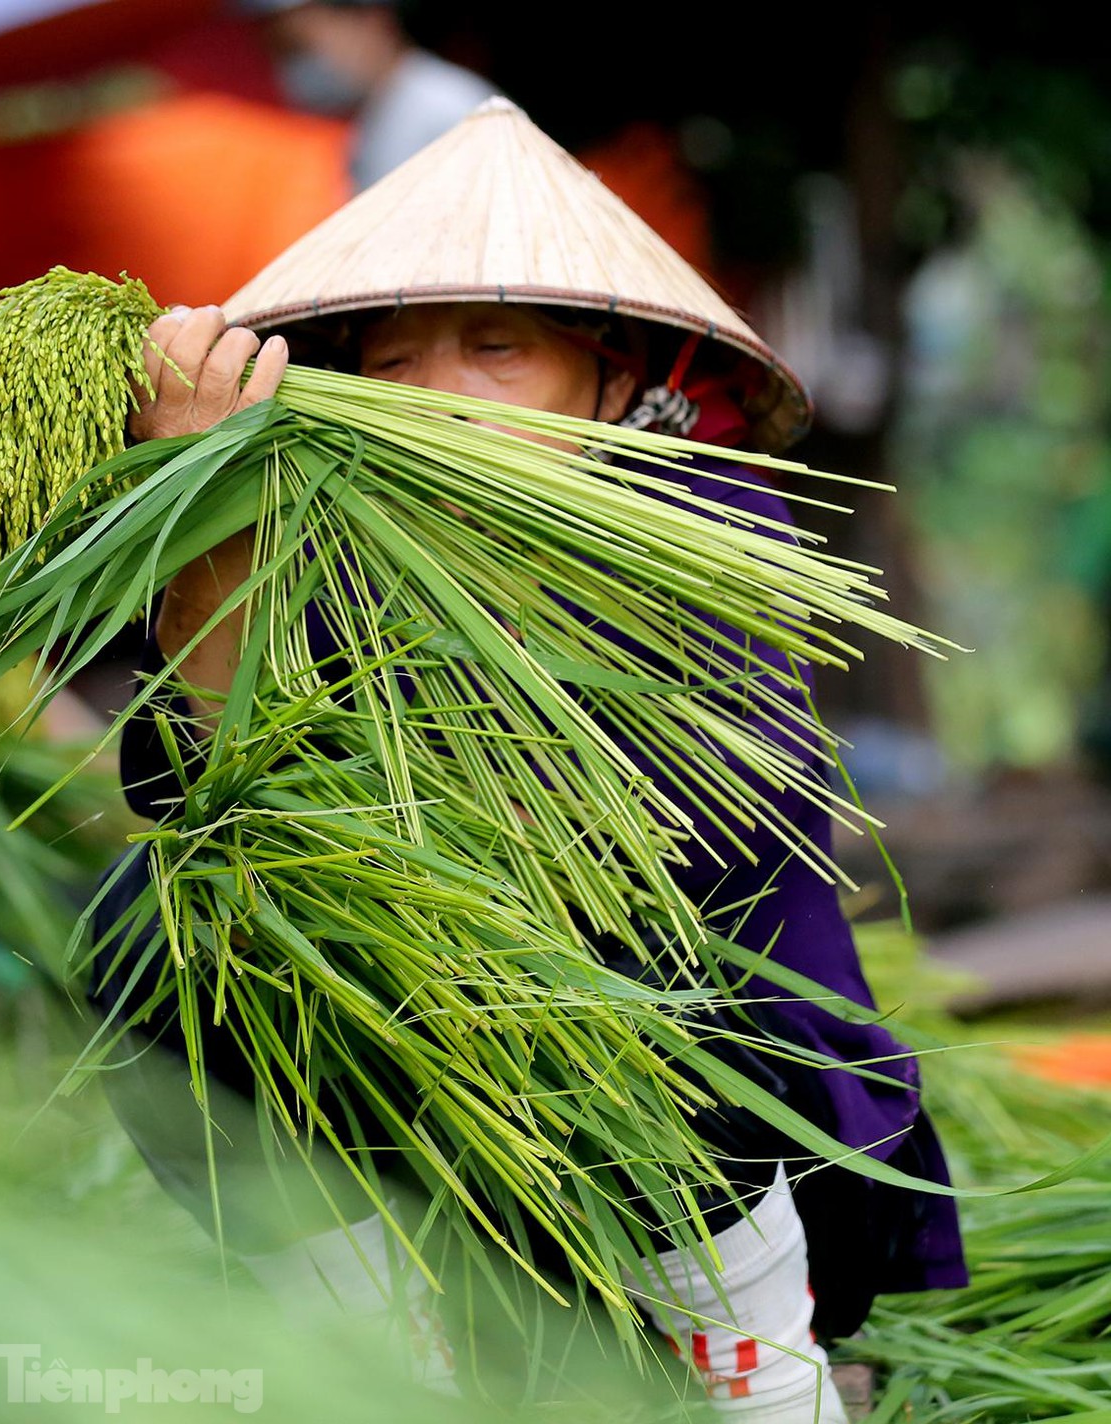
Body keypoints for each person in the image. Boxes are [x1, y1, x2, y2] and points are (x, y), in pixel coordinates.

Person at [92, 100, 965, 1419]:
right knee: (146, 925)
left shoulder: (703, 521)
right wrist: (207, 529)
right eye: (392, 358)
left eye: (495, 347)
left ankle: (765, 1377)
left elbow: (638, 855)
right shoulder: (318, 544)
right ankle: (379, 1359)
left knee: (627, 951)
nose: (438, 391)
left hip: (711, 1114)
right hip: (418, 1115)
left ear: (608, 375)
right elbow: (203, 807)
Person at [249, 0, 494, 188]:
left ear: (371, 20)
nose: (297, 66)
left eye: (301, 46)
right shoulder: (378, 113)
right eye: (283, 51)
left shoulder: (447, 108)